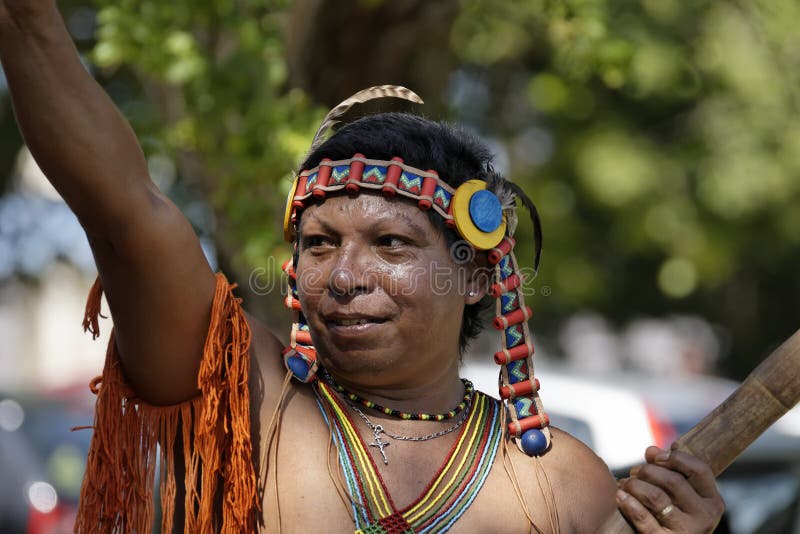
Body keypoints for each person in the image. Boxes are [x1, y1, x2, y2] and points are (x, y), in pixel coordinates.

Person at [0, 2, 725, 532]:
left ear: (475, 274)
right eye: (318, 244)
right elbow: (128, 214)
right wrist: (28, 23)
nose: (343, 275)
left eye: (391, 244)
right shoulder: (244, 399)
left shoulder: (563, 483)